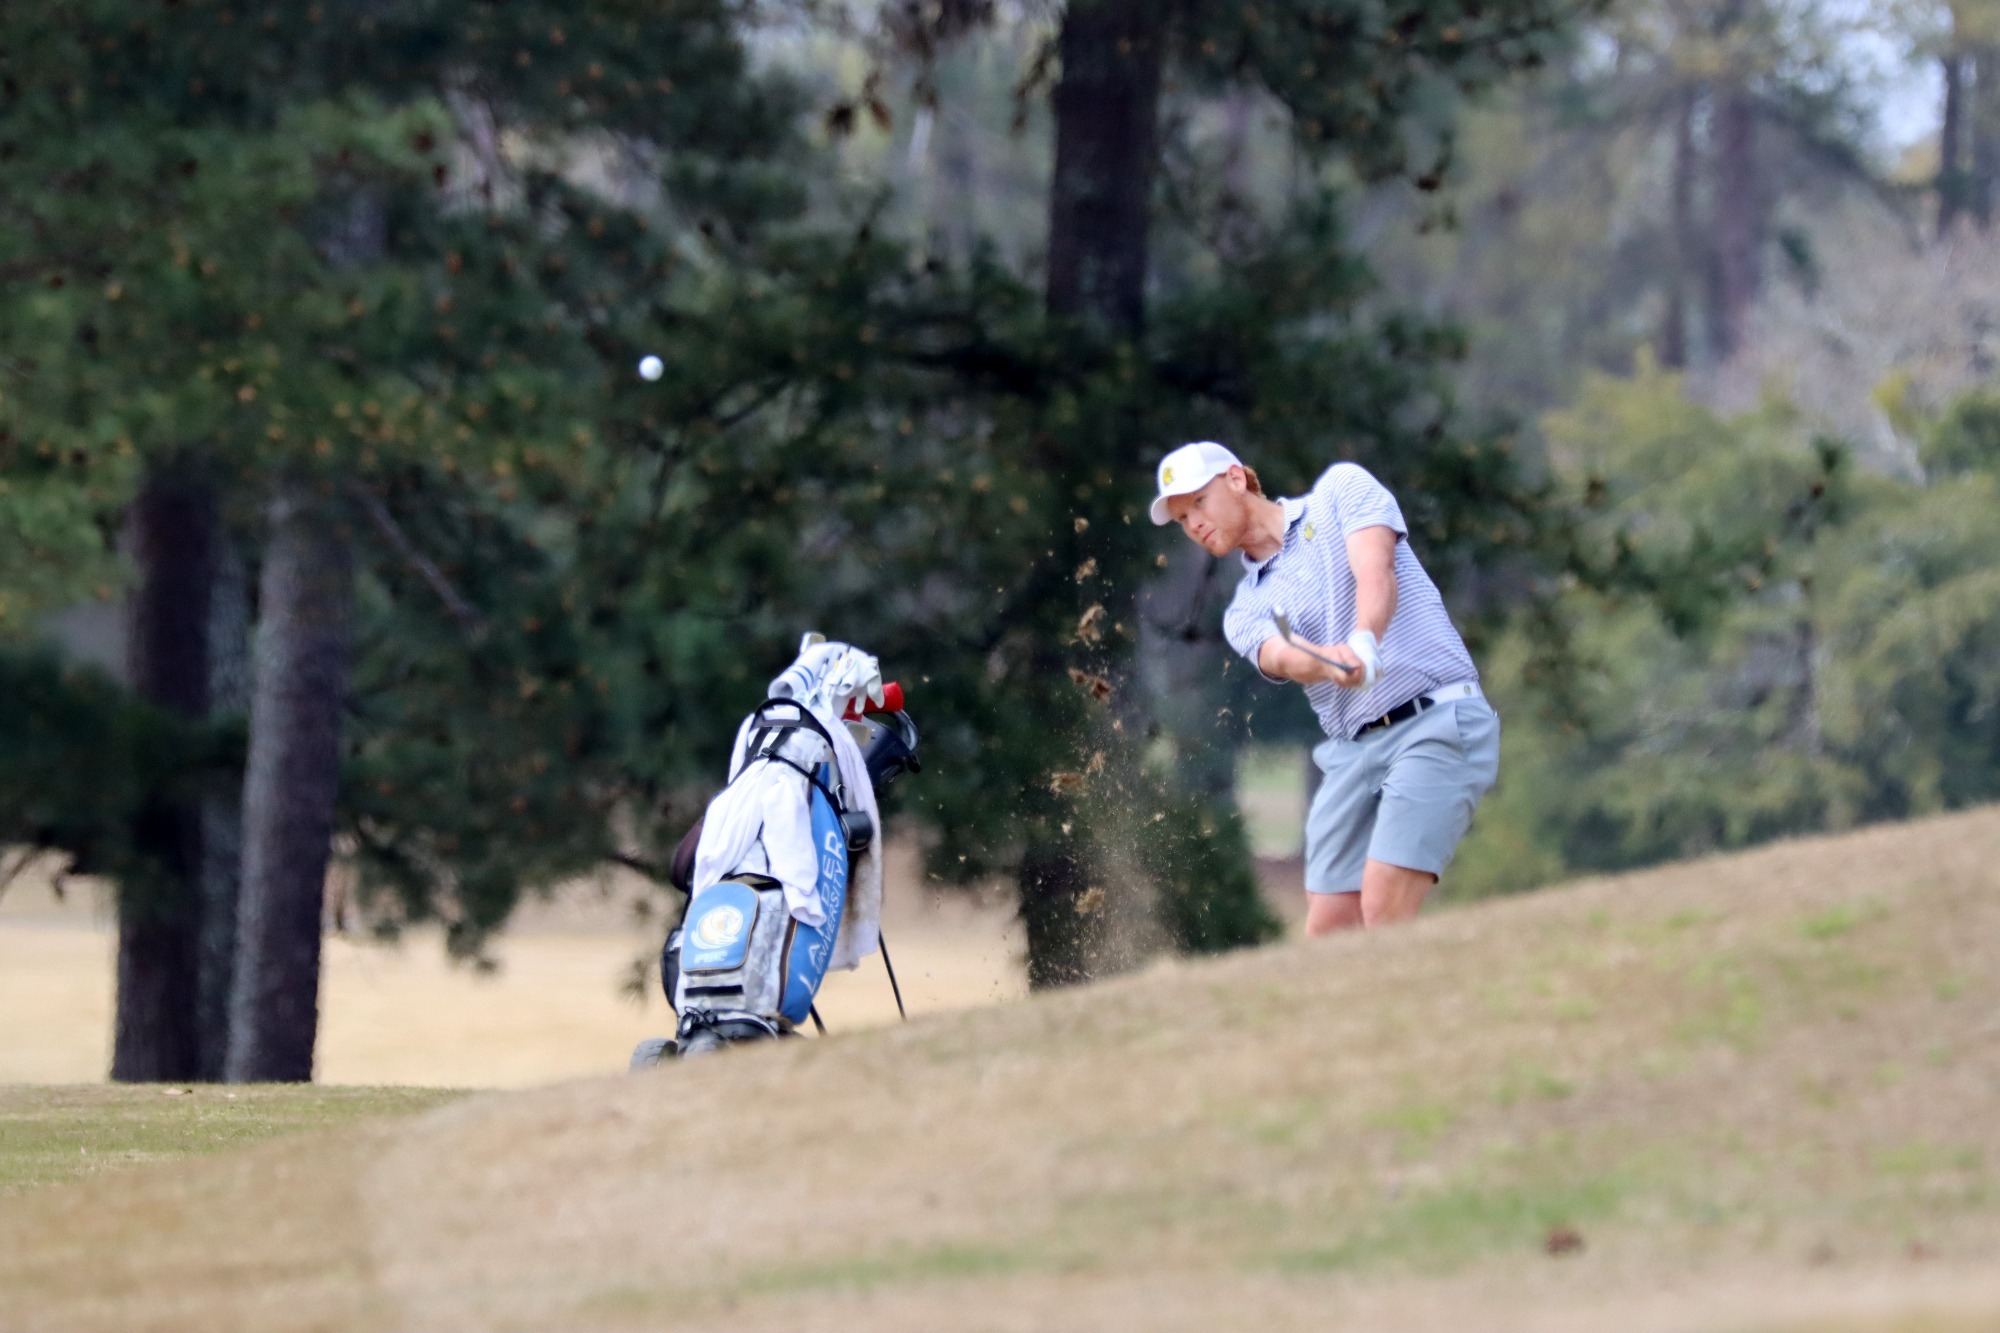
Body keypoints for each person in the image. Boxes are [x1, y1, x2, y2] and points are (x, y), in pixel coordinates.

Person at [1150, 440, 1499, 936]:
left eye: (1199, 503)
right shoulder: (1246, 609)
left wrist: (1363, 640)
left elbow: (1375, 570)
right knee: (1329, 930)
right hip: (1352, 753)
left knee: (1383, 907)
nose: (1195, 525)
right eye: (1183, 519)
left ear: (1234, 479)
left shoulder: (1341, 490)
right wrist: (1328, 664)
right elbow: (1282, 657)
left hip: (1437, 722)